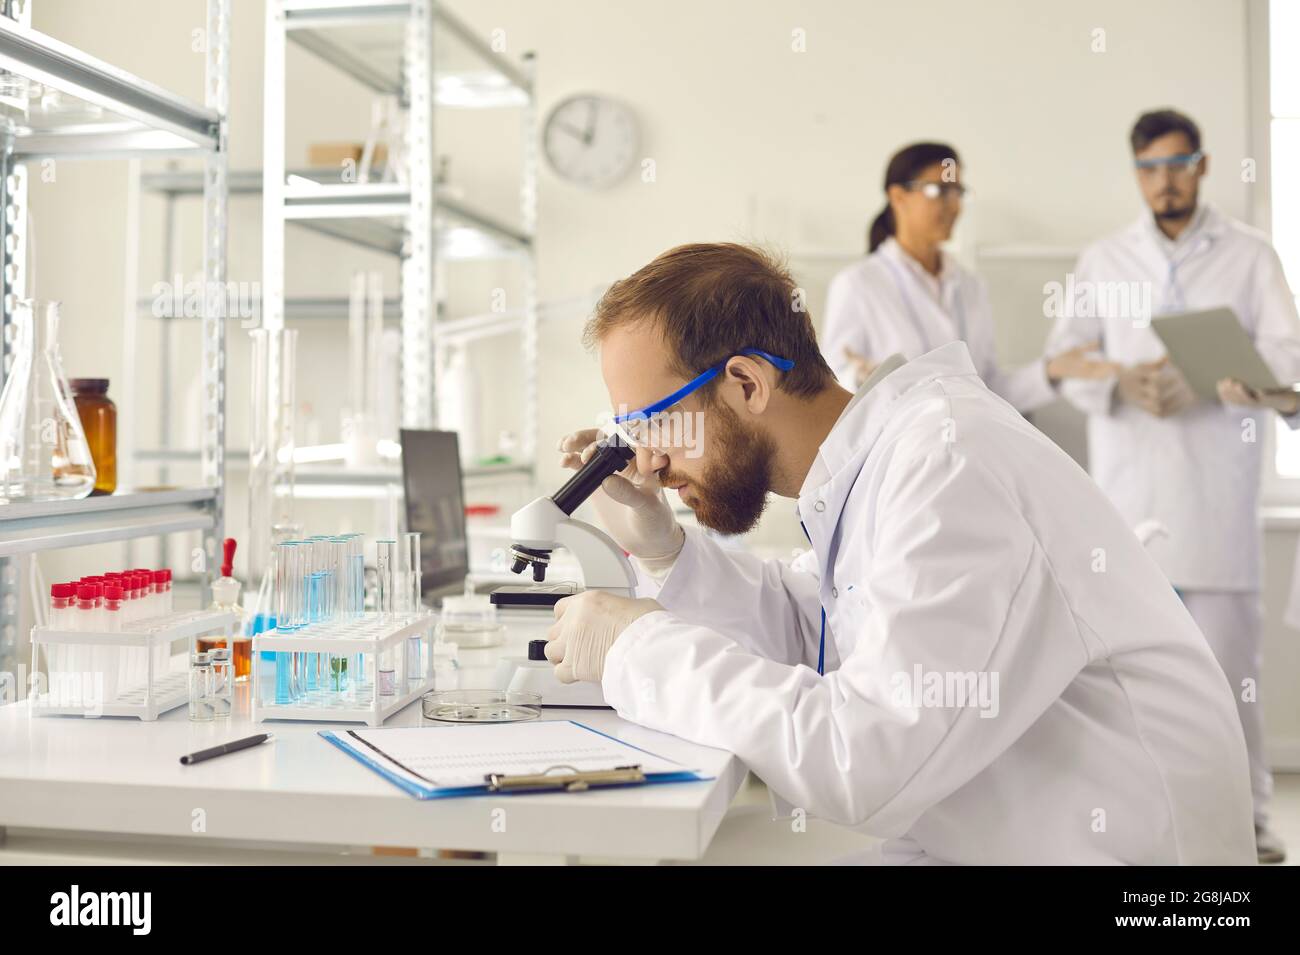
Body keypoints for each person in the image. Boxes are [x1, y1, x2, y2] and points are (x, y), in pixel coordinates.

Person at [547, 242, 1254, 865]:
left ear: (747, 383)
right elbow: (814, 635)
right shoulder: (873, 467)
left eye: (651, 422)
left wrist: (635, 645)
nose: (647, 459)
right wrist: (666, 553)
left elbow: (864, 759)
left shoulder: (949, 462)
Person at [1045, 108, 1300, 864]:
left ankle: (1249, 822)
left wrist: (1222, 384)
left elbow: (1290, 373)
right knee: (1128, 680)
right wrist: (1121, 379)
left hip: (1216, 499)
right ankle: (1145, 826)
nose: (1166, 180)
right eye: (1151, 167)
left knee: (1228, 677)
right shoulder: (1104, 258)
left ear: (1204, 165)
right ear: (1137, 174)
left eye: (1179, 163)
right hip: (1126, 499)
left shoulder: (1252, 257)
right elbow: (1064, 358)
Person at [819, 142, 1114, 407]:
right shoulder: (858, 284)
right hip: (897, 456)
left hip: (966, 453)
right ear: (898, 197)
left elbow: (988, 388)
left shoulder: (970, 285)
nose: (955, 205)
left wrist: (1051, 370)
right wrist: (862, 378)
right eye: (940, 191)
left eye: (958, 192)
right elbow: (832, 388)